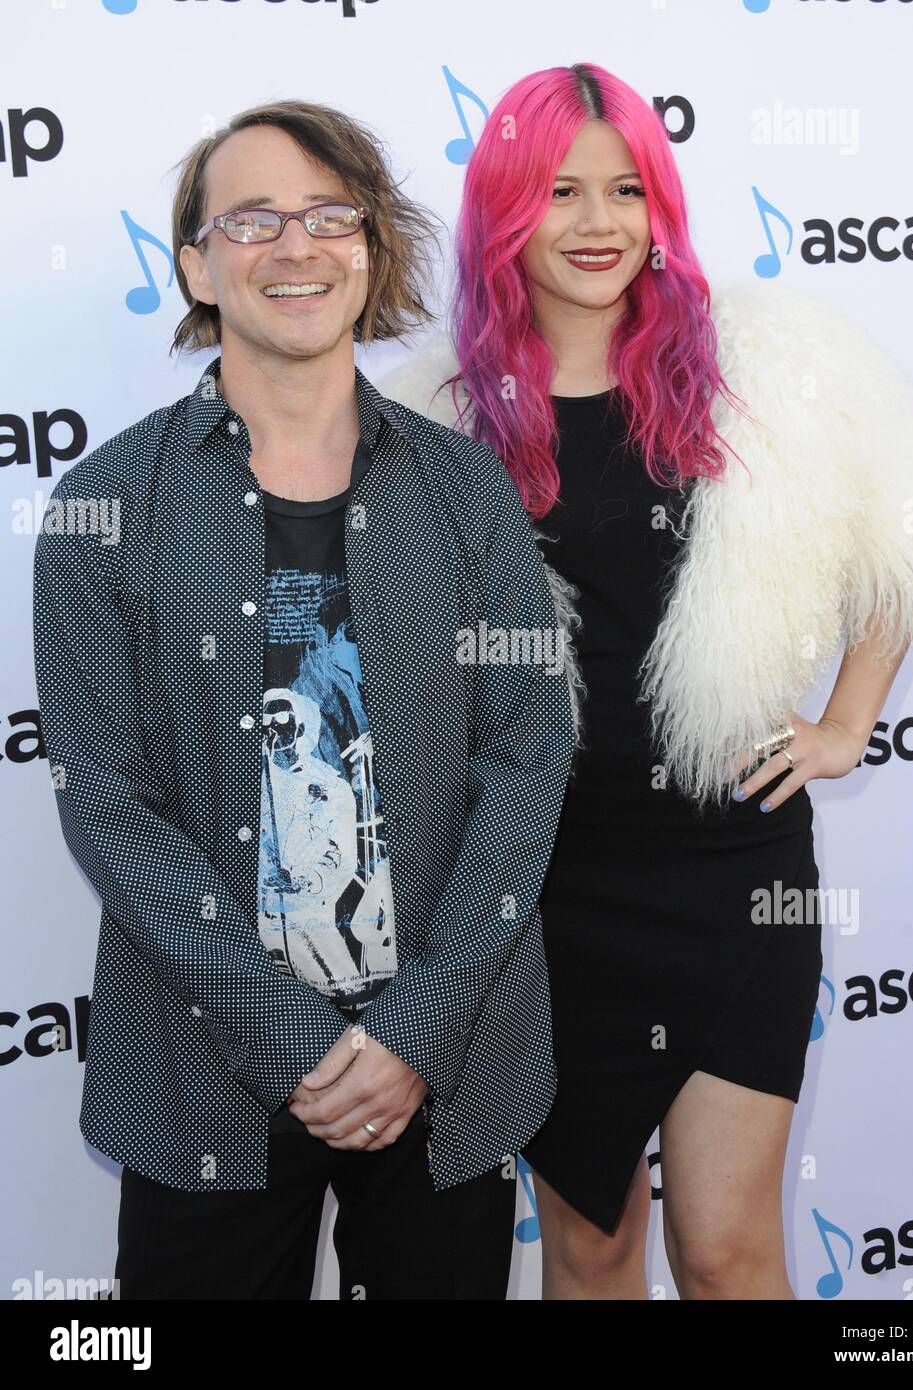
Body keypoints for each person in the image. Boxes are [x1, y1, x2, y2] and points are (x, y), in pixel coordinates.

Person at [379, 62, 913, 1299]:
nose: (598, 222)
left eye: (626, 189)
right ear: (506, 207)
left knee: (727, 1255)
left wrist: (842, 725)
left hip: (732, 876)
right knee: (591, 1250)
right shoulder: (435, 419)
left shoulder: (768, 369)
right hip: (537, 893)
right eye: (560, 190)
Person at [32, 98, 574, 1300]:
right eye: (254, 219)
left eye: (332, 216)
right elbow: (104, 803)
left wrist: (415, 1029)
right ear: (195, 262)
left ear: (369, 251)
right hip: (196, 1069)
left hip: (444, 1066)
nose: (297, 247)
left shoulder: (464, 490)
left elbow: (527, 761)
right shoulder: (99, 508)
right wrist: (297, 1040)